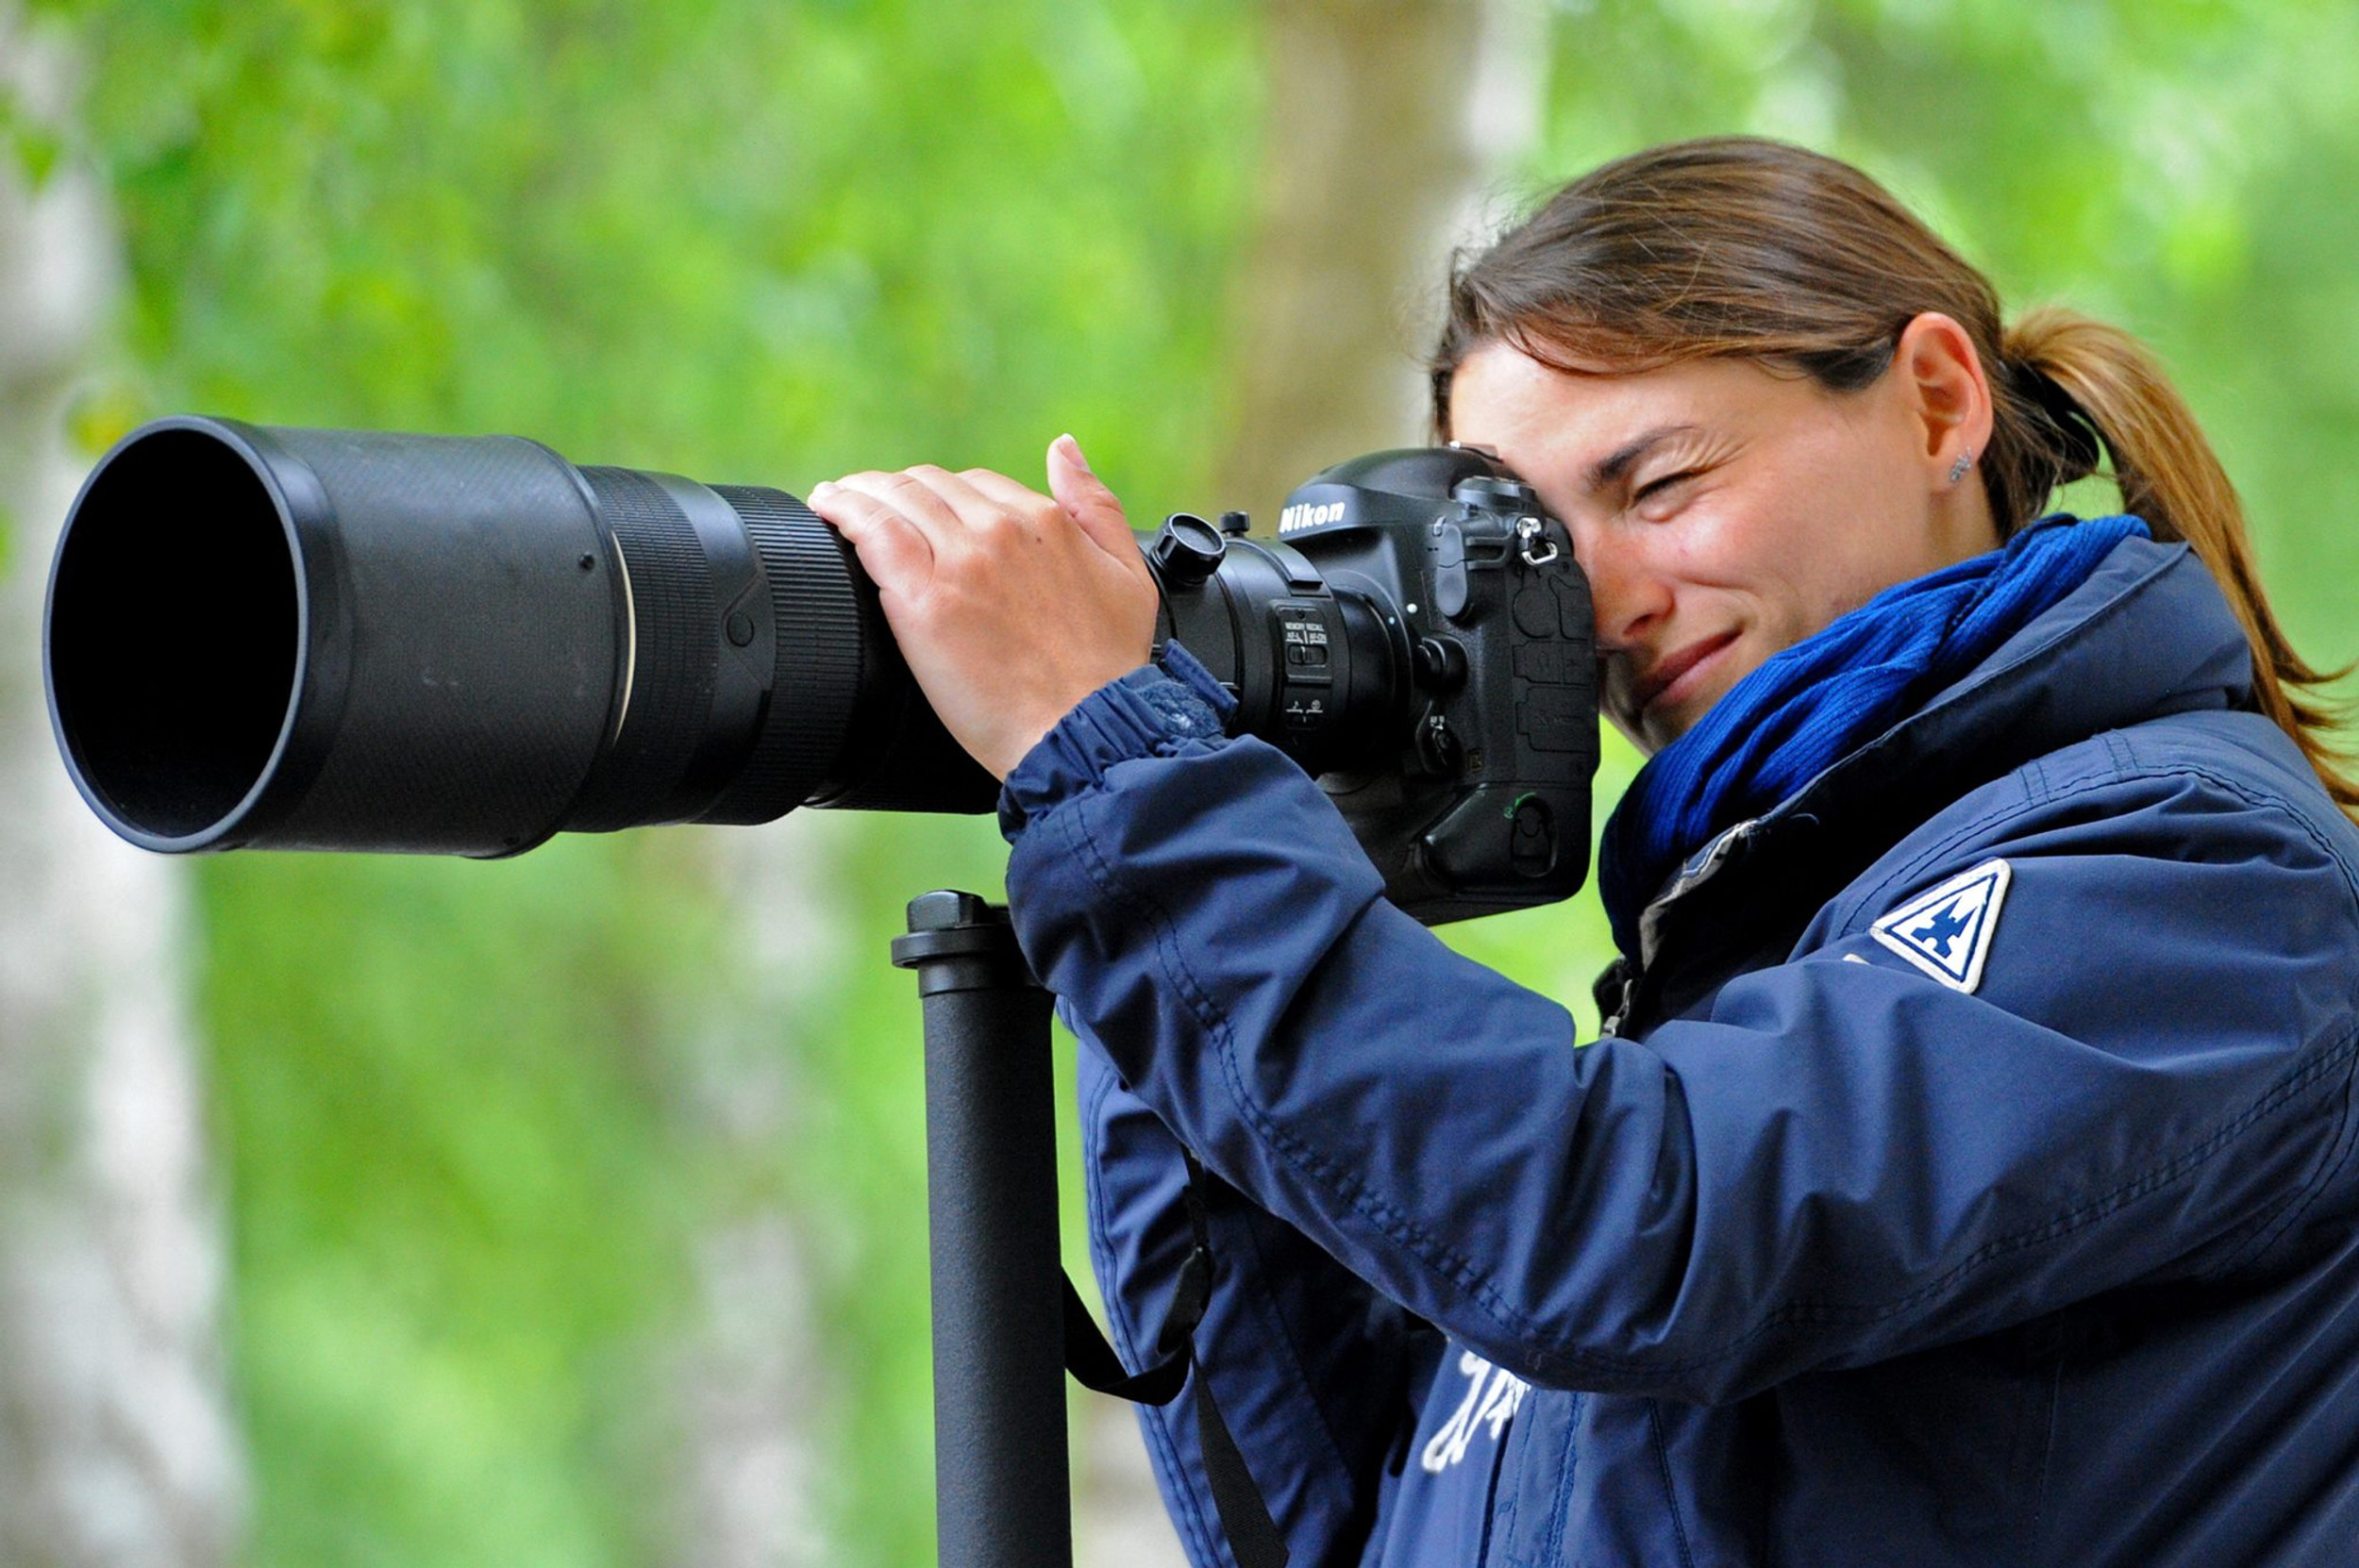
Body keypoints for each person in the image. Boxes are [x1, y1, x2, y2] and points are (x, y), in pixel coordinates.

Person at [806, 138, 2359, 1567]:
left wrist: (1124, 768)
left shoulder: (2203, 878)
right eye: (1535, 555)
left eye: (1660, 481)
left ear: (1939, 402)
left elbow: (1631, 1225)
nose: (1604, 608)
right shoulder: (1731, 985)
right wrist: (1202, 832)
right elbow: (1324, 1520)